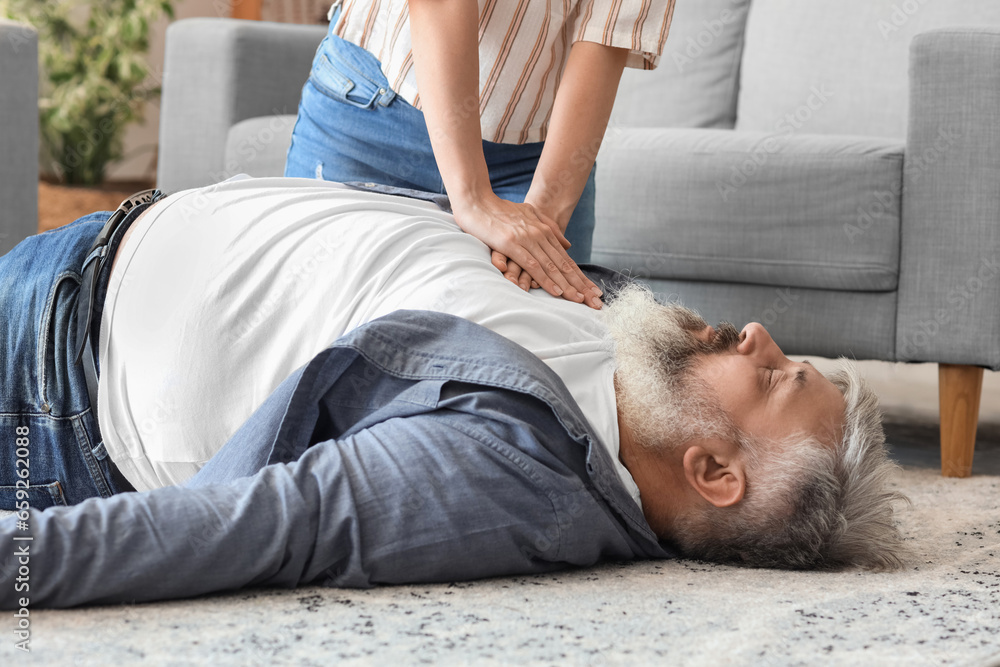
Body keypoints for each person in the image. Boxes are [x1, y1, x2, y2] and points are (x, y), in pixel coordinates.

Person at [0, 177, 907, 609]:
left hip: (50, 373)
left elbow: (265, 522)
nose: (759, 337)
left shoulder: (506, 477)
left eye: (776, 377)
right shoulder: (627, 358)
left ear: (712, 471)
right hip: (96, 267)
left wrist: (17, 563)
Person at [284, 0, 676, 304]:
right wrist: (471, 197)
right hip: (371, 116)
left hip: (534, 159)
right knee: (309, 332)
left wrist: (546, 217)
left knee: (536, 359)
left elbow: (606, 31)